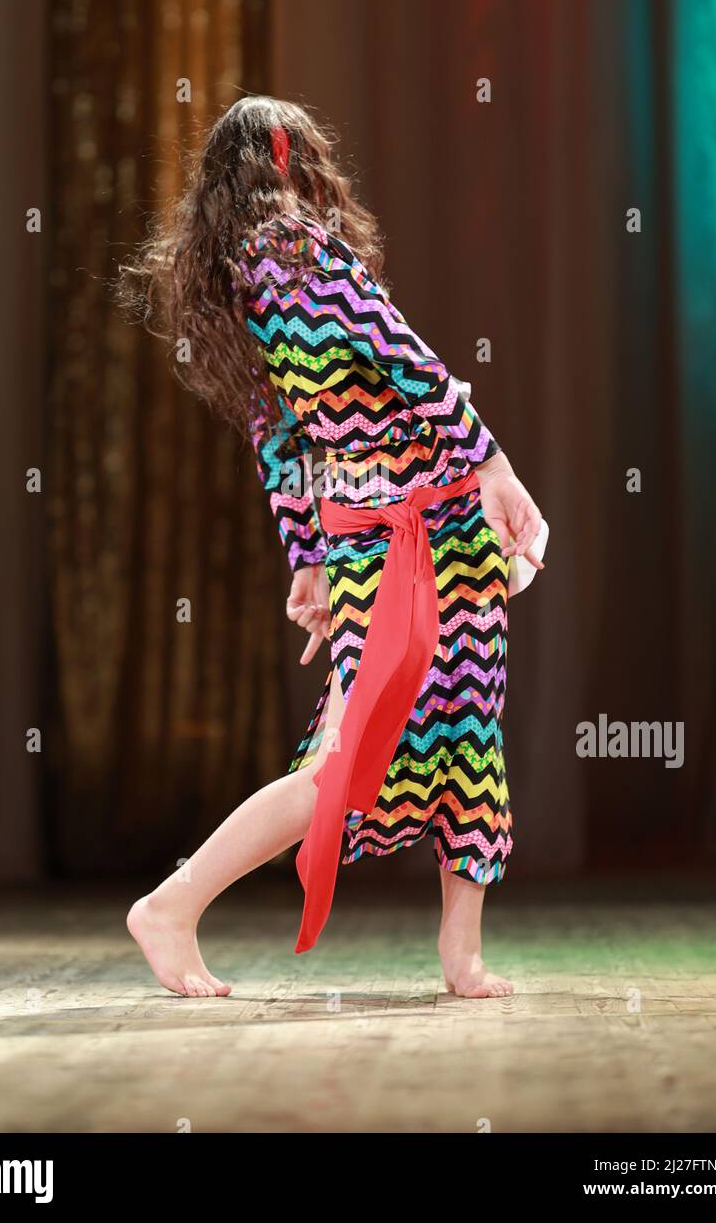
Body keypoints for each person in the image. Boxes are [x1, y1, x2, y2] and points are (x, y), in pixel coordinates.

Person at [117, 95, 544, 998]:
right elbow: (408, 357)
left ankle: (462, 955)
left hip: (402, 534)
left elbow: (281, 447)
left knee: (463, 727)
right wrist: (496, 463)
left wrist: (309, 556)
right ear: (287, 160)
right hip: (415, 534)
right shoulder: (295, 250)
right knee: (359, 755)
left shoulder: (240, 281)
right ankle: (172, 903)